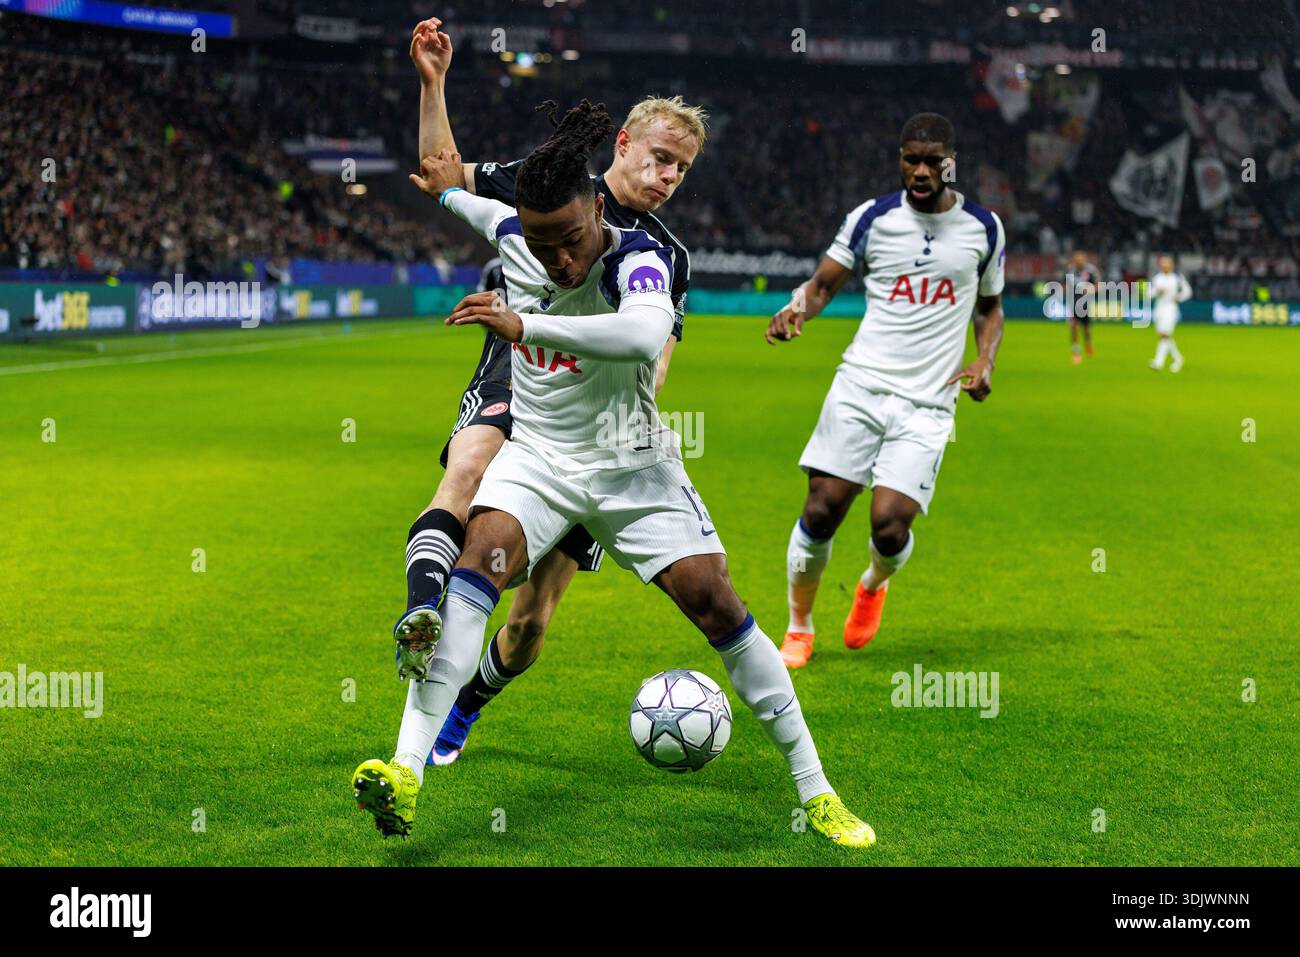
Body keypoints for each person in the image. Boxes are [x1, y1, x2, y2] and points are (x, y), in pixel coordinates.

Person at [352, 102, 875, 847]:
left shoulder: (640, 258)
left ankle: (818, 791)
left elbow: (642, 334)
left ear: (596, 209)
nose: (557, 260)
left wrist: (524, 323)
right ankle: (405, 770)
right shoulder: (516, 234)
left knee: (716, 603)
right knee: (479, 564)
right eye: (540, 245)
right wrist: (438, 150)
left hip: (633, 464)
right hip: (537, 460)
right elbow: (458, 193)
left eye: (569, 240)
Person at [398, 18, 707, 766]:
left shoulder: (667, 255)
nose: (668, 177)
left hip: (599, 424)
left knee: (532, 620)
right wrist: (433, 81)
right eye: (660, 158)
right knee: (469, 465)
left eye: (682, 170)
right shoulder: (550, 182)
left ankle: (466, 703)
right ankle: (424, 605)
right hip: (515, 363)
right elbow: (443, 170)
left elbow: (656, 353)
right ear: (624, 145)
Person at [765, 113, 1006, 669]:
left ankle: (873, 582)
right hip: (862, 386)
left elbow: (990, 307)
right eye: (909, 159)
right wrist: (796, 310)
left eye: (931, 160)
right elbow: (824, 283)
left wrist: (985, 360)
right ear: (900, 157)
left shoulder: (984, 227)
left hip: (928, 401)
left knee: (889, 524)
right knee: (822, 508)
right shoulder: (871, 217)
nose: (919, 171)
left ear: (951, 161)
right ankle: (799, 627)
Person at [1148, 255, 1190, 372]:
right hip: (1159, 308)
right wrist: (1157, 292)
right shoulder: (1157, 278)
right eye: (1162, 263)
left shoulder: (1177, 278)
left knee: (1165, 334)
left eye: (1166, 263)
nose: (1164, 266)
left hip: (1170, 308)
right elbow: (1148, 294)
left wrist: (1179, 297)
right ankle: (1178, 358)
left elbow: (1187, 292)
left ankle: (1159, 362)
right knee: (1162, 335)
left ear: (1171, 265)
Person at [1066, 249, 1100, 364]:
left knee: (1086, 329)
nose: (1078, 261)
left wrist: (1090, 289)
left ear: (1084, 260)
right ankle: (1076, 352)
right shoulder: (1070, 270)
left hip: (1086, 303)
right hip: (1073, 302)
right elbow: (1065, 284)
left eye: (1080, 259)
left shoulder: (1091, 271)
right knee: (1074, 327)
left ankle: (1088, 344)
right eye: (1076, 259)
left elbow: (1098, 286)